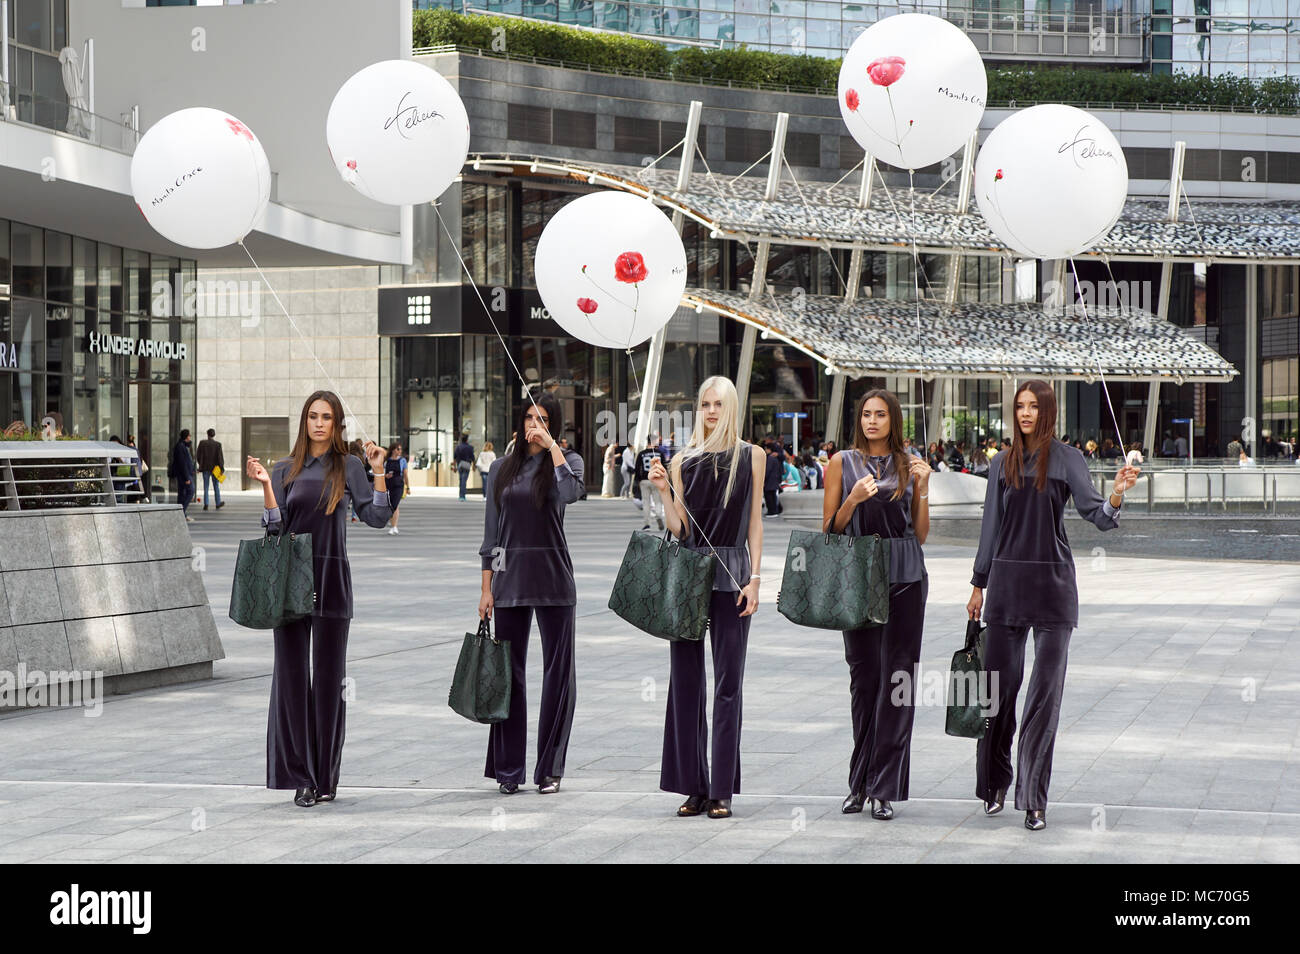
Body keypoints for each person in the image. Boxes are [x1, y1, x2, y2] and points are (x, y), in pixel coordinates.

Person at [967, 380, 1140, 831]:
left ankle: (1034, 799)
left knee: (1045, 700)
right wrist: (978, 584)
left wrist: (1117, 490)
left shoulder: (1068, 459)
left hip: (1053, 589)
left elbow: (1098, 516)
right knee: (998, 695)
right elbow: (990, 527)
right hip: (1005, 586)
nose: (1025, 413)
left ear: (1048, 410)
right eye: (1019, 406)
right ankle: (995, 785)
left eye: (1033, 406)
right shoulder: (1001, 463)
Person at [246, 390, 392, 807]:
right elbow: (274, 528)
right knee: (292, 680)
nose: (319, 423)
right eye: (313, 416)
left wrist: (379, 471)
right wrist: (264, 488)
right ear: (304, 422)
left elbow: (377, 517)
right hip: (291, 580)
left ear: (337, 423)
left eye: (327, 417)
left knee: (328, 682)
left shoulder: (349, 466)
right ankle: (302, 778)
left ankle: (325, 778)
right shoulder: (283, 469)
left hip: (331, 578)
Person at [648, 376, 764, 820]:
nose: (711, 411)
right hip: (689, 578)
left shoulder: (752, 456)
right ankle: (693, 786)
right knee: (686, 684)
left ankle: (722, 790)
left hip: (733, 578)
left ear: (731, 407)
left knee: (728, 686)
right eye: (704, 404)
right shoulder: (682, 461)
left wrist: (755, 578)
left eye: (719, 404)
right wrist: (663, 491)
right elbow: (681, 530)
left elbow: (754, 522)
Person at [822, 389, 931, 821]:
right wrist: (853, 500)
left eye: (880, 415)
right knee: (864, 682)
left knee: (898, 684)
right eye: (866, 414)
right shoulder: (841, 463)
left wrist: (922, 488)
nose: (872, 421)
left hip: (906, 576)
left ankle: (884, 788)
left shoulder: (910, 464)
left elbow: (920, 534)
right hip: (858, 579)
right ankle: (859, 783)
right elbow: (828, 531)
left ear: (893, 420)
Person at [478, 393, 584, 796]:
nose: (533, 426)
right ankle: (508, 769)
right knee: (510, 675)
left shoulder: (568, 464)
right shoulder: (502, 469)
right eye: (528, 419)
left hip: (555, 579)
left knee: (558, 676)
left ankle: (550, 769)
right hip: (509, 581)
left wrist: (553, 447)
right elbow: (491, 533)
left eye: (542, 420)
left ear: (554, 425)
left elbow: (571, 495)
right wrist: (486, 587)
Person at [634, 439, 665, 530]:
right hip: (657, 479)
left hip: (645, 479)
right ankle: (659, 515)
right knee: (658, 501)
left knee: (646, 502)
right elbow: (664, 467)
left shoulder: (641, 454)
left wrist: (638, 480)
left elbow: (637, 468)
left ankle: (647, 524)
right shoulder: (659, 453)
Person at [195, 428, 225, 511]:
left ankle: (206, 504)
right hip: (216, 468)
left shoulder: (202, 443)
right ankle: (218, 503)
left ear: (207, 434)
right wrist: (221, 469)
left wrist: (201, 464)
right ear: (214, 435)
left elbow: (198, 455)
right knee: (216, 486)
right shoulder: (218, 444)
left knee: (206, 486)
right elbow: (220, 458)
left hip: (205, 468)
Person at [169, 429, 195, 522]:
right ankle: (181, 511)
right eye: (189, 436)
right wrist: (186, 477)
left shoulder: (183, 446)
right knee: (190, 491)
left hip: (185, 474)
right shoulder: (180, 447)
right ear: (186, 436)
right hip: (184, 475)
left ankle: (181, 513)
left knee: (182, 494)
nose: (190, 437)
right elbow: (182, 463)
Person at [384, 442, 409, 535]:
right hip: (389, 484)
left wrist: (408, 486)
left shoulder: (402, 460)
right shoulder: (387, 461)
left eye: (400, 449)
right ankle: (394, 526)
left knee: (394, 505)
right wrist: (386, 476)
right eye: (398, 449)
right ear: (393, 450)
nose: (400, 451)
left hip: (399, 485)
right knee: (392, 505)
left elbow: (405, 474)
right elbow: (382, 473)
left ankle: (393, 526)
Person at [762, 441, 783, 516]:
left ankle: (772, 511)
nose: (765, 450)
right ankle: (774, 511)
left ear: (769, 449)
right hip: (774, 481)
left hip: (770, 482)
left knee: (769, 497)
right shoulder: (774, 458)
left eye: (766, 449)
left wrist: (763, 479)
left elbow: (767, 470)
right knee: (772, 497)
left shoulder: (770, 458)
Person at [454, 434, 475, 501]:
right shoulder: (470, 447)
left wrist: (454, 466)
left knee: (460, 480)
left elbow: (455, 457)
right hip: (467, 465)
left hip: (460, 464)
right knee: (464, 480)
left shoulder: (458, 447)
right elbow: (472, 457)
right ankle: (463, 496)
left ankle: (460, 495)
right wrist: (474, 466)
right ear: (467, 440)